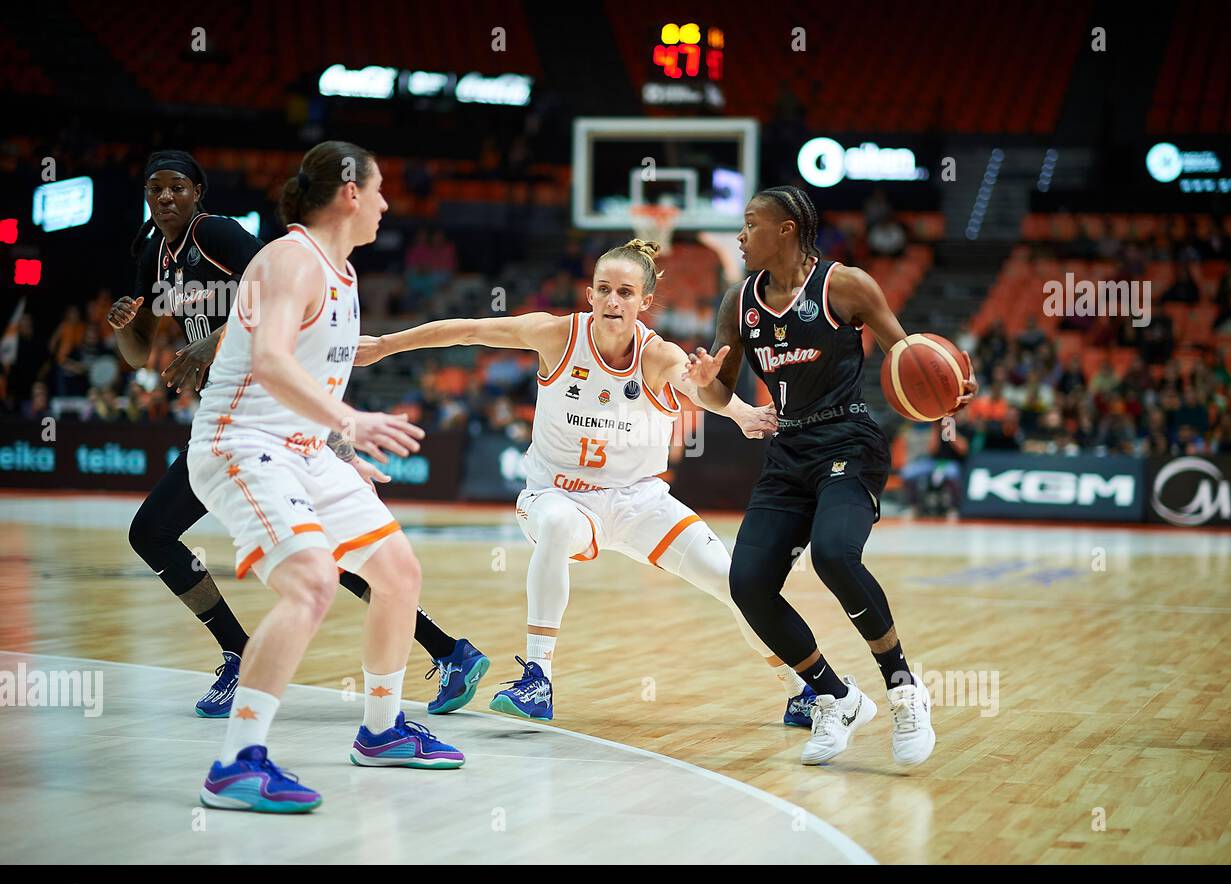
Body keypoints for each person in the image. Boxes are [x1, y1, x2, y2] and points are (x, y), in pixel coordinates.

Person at [356, 240, 829, 726]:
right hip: (558, 495)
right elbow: (469, 330)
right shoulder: (557, 335)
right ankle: (537, 678)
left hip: (639, 502)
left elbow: (697, 388)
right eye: (603, 289)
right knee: (557, 523)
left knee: (737, 585)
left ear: (644, 301)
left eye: (625, 292)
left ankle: (799, 691)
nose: (612, 301)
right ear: (589, 294)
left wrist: (740, 410)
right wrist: (386, 344)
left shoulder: (658, 355)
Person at [108, 150, 481, 719]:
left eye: (177, 187)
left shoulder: (218, 235)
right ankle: (442, 654)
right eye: (154, 187)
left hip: (266, 416)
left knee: (315, 557)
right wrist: (124, 326)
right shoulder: (155, 255)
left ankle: (249, 666)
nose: (165, 197)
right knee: (302, 551)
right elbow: (138, 354)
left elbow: (270, 289)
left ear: (198, 192)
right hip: (252, 419)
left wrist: (215, 343)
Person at [189, 141, 463, 814]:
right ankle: (236, 762)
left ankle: (381, 730)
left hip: (305, 448)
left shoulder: (344, 273)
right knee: (312, 581)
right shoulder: (289, 259)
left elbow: (310, 383)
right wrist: (350, 422)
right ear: (349, 192)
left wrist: (335, 446)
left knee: (397, 571)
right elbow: (272, 362)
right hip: (241, 443)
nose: (386, 203)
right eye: (379, 189)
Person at [684, 185, 977, 766]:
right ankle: (835, 697)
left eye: (750, 224)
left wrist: (948, 389)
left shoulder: (845, 286)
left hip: (849, 441)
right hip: (788, 450)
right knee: (748, 585)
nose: (740, 236)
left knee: (835, 556)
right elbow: (719, 392)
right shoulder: (738, 303)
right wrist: (705, 383)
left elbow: (910, 357)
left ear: (786, 229)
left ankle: (903, 688)